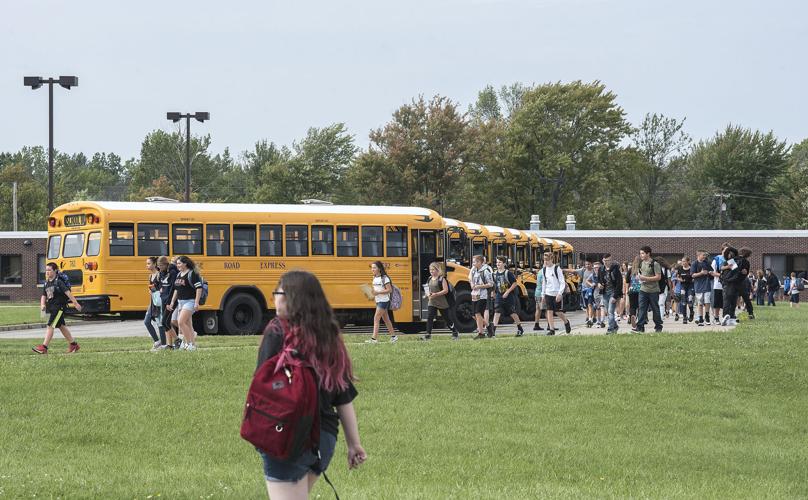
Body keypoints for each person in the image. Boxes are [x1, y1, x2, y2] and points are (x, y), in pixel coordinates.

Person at [255, 270, 366, 499]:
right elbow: (343, 398)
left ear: (292, 298)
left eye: (278, 292)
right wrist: (354, 444)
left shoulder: (278, 331)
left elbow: (261, 387)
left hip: (287, 436)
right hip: (323, 438)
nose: (275, 298)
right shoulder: (328, 337)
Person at [32, 263, 83, 354]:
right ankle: (74, 345)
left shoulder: (58, 282)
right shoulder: (47, 283)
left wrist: (75, 303)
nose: (47, 272)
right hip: (52, 308)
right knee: (61, 326)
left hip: (59, 308)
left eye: (49, 270)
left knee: (50, 325)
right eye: (46, 270)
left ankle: (44, 347)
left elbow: (68, 293)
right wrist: (42, 305)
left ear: (55, 270)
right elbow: (43, 295)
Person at [166, 256, 203, 351]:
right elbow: (176, 290)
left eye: (179, 263)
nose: (177, 265)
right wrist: (172, 302)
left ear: (185, 263)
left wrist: (196, 302)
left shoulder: (192, 274)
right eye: (177, 263)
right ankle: (193, 345)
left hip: (190, 302)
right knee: (188, 324)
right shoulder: (179, 274)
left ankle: (188, 343)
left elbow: (199, 288)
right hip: (181, 302)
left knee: (181, 321)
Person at [419, 262, 460, 341]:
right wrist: (427, 295)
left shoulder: (442, 279)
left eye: (433, 269)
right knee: (430, 317)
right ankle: (428, 335)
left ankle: (455, 332)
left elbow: (446, 290)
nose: (431, 271)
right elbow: (428, 289)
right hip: (432, 301)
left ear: (438, 270)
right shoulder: (429, 278)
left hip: (442, 302)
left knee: (447, 319)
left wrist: (436, 294)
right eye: (430, 269)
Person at [491, 256, 524, 338]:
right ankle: (493, 332)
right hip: (499, 295)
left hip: (509, 296)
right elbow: (494, 284)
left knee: (512, 313)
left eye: (500, 262)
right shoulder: (494, 274)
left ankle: (520, 328)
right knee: (497, 312)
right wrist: (493, 292)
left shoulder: (508, 273)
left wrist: (508, 291)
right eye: (497, 262)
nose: (498, 264)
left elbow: (514, 283)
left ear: (504, 264)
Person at [541, 252, 571, 335]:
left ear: (551, 259)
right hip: (548, 293)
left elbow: (562, 282)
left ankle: (566, 321)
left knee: (557, 312)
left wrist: (560, 293)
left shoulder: (557, 268)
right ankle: (551, 329)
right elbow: (544, 282)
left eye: (547, 260)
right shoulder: (544, 269)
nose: (545, 262)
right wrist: (542, 294)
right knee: (549, 311)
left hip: (557, 293)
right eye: (544, 260)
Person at [634, 246, 663, 333]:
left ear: (648, 253)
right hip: (643, 289)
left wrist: (645, 278)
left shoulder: (655, 264)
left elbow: (658, 277)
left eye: (642, 253)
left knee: (655, 308)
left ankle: (658, 326)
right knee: (642, 308)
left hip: (653, 290)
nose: (641, 255)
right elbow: (640, 275)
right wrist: (638, 277)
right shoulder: (641, 263)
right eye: (640, 253)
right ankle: (640, 327)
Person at [366, 261, 397, 344]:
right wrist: (371, 293)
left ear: (379, 268)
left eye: (374, 267)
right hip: (378, 300)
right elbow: (376, 290)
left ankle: (374, 339)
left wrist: (378, 293)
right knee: (386, 319)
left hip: (384, 301)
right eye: (372, 268)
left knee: (376, 318)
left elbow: (389, 290)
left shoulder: (385, 278)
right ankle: (394, 337)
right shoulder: (374, 277)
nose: (372, 269)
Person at [144, 256, 166, 351]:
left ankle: (163, 345)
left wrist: (156, 291)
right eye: (147, 264)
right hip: (153, 302)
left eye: (149, 264)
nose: (147, 266)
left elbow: (163, 288)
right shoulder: (150, 276)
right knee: (147, 321)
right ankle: (157, 341)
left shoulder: (159, 275)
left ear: (154, 264)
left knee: (159, 323)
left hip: (159, 302)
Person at [469, 255, 494, 339]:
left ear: (480, 262)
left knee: (477, 313)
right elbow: (471, 280)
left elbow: (490, 284)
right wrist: (472, 284)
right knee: (474, 315)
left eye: (474, 262)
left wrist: (479, 286)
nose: (473, 263)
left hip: (483, 295)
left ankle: (481, 333)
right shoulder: (473, 271)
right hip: (474, 294)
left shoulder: (485, 271)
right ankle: (488, 326)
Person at [157, 256, 179, 349]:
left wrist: (170, 302)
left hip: (170, 301)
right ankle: (169, 345)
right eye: (158, 266)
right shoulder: (161, 272)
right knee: (166, 322)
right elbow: (161, 284)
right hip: (163, 299)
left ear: (166, 264)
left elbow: (173, 288)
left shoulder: (173, 272)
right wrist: (160, 288)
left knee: (165, 321)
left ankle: (178, 340)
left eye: (161, 265)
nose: (160, 267)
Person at [718, 246, 742, 326]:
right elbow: (722, 268)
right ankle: (726, 317)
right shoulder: (729, 262)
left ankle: (730, 318)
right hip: (729, 284)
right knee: (728, 301)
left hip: (732, 284)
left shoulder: (733, 262)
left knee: (731, 301)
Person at [601, 254, 623, 334]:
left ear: (611, 260)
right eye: (604, 261)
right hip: (605, 293)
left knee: (610, 311)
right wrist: (600, 284)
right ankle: (615, 326)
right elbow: (600, 280)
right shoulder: (602, 269)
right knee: (607, 311)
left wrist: (615, 296)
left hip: (613, 292)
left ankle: (610, 329)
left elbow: (619, 283)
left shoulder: (615, 269)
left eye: (607, 261)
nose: (605, 262)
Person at [710, 242, 731, 325]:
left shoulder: (730, 259)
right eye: (725, 250)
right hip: (718, 284)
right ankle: (716, 318)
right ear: (722, 250)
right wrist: (722, 276)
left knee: (727, 302)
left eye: (728, 250)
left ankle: (726, 317)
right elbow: (712, 272)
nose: (727, 252)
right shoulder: (717, 259)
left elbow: (734, 270)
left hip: (728, 284)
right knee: (717, 303)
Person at [691, 251, 712, 326]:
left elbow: (711, 271)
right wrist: (701, 273)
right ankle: (700, 318)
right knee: (700, 303)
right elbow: (693, 275)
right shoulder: (694, 263)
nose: (704, 256)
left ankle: (707, 316)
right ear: (698, 255)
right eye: (703, 255)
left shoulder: (706, 263)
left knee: (707, 302)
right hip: (698, 286)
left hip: (707, 285)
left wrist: (710, 273)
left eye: (705, 255)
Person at [737, 248, 755, 319]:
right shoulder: (746, 262)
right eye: (749, 255)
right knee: (747, 299)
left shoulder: (734, 260)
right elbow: (746, 273)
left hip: (735, 282)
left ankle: (732, 315)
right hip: (742, 282)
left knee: (734, 299)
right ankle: (750, 313)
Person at [677, 257, 694, 324]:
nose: (683, 263)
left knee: (689, 301)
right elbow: (678, 277)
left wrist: (693, 279)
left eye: (684, 261)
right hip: (683, 286)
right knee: (683, 302)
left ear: (688, 261)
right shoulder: (680, 269)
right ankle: (684, 317)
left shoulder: (691, 268)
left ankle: (691, 313)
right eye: (682, 261)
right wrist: (680, 279)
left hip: (690, 286)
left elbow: (694, 276)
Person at [626, 258, 641, 329]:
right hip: (641, 290)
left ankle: (632, 315)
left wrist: (627, 290)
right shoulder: (642, 269)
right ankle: (638, 319)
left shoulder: (630, 270)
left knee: (632, 306)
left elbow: (627, 281)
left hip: (632, 290)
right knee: (640, 306)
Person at [581, 259, 596, 327]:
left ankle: (590, 319)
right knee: (587, 305)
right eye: (586, 264)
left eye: (589, 264)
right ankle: (589, 317)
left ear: (591, 265)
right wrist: (563, 270)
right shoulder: (583, 270)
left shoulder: (594, 271)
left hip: (592, 290)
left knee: (590, 304)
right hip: (584, 290)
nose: (587, 265)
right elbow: (573, 271)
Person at [533, 265, 546, 331]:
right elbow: (544, 283)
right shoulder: (544, 272)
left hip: (537, 292)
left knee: (538, 309)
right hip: (542, 293)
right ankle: (550, 325)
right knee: (547, 310)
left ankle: (536, 325)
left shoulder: (540, 272)